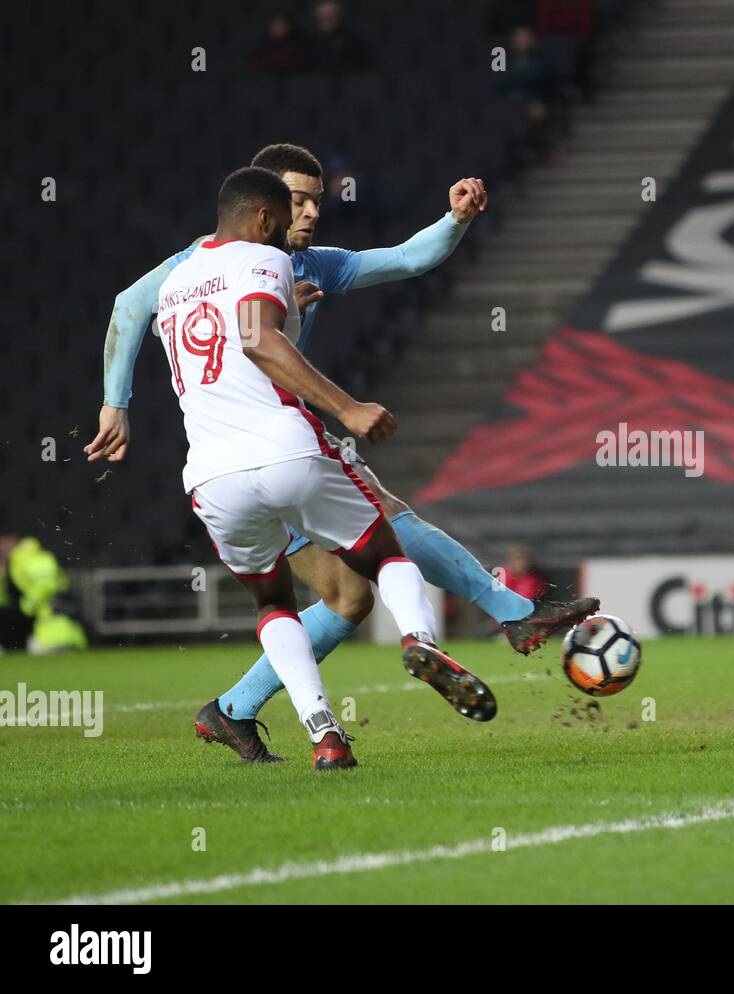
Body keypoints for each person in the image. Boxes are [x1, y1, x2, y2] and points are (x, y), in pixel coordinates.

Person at [86, 143, 597, 763]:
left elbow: (408, 258)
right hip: (265, 440)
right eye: (295, 199)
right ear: (264, 205)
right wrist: (117, 403)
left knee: (348, 600)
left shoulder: (315, 264)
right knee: (386, 521)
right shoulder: (201, 263)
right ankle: (513, 613)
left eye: (316, 200)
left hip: (225, 470)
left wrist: (456, 219)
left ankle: (233, 711)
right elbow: (130, 307)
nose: (308, 213)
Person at [157, 166, 495, 769]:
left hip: (209, 475)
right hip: (283, 449)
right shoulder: (267, 259)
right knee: (384, 549)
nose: (298, 224)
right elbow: (259, 341)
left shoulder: (175, 283)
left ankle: (324, 736)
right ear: (264, 217)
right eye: (290, 212)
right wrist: (348, 407)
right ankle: (420, 639)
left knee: (275, 606)